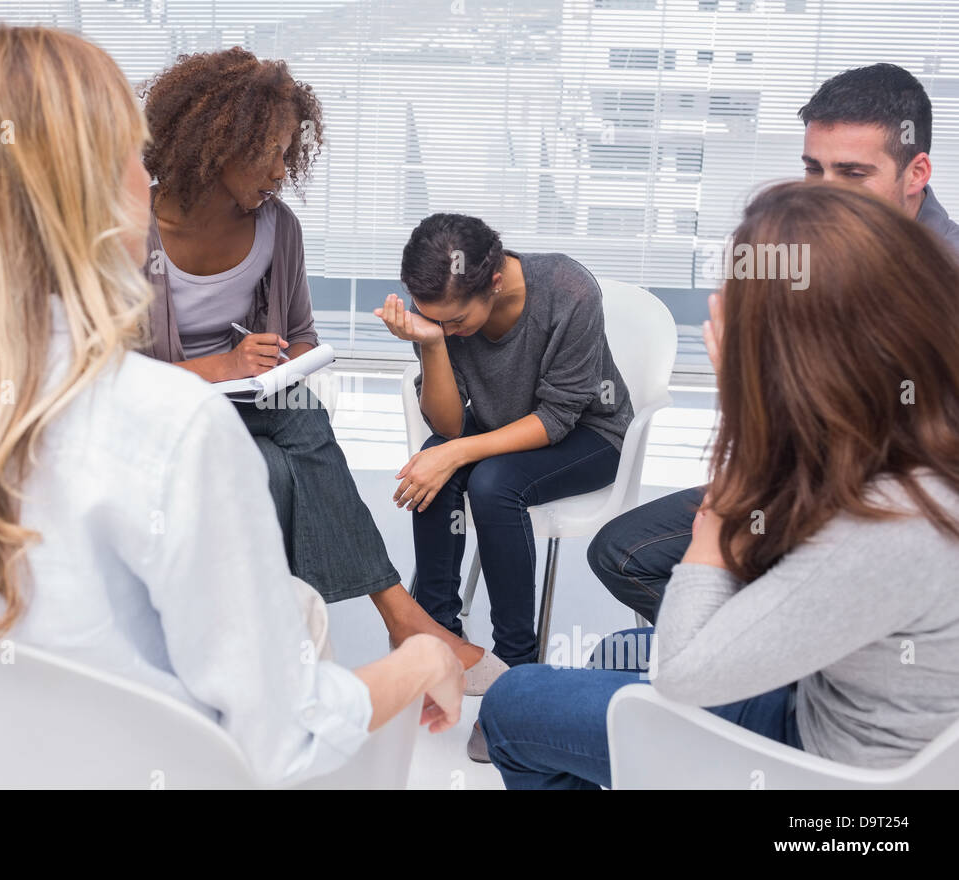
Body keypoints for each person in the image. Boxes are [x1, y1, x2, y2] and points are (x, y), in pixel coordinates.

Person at [0, 25, 464, 787]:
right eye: (130, 151)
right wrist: (420, 662)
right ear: (83, 186)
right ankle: (410, 624)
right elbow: (286, 741)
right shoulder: (171, 429)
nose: (144, 177)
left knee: (294, 559)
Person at [480, 181, 959, 789]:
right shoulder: (917, 435)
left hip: (820, 773)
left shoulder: (885, 524)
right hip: (839, 708)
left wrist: (740, 406)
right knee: (616, 653)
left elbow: (682, 671)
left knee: (514, 704)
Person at [137, 47, 492, 684]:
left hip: (249, 402)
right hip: (162, 413)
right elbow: (99, 375)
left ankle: (274, 651)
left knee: (298, 417)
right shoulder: (128, 230)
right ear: (219, 145)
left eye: (287, 150)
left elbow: (298, 333)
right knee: (277, 464)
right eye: (270, 151)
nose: (282, 169)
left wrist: (292, 362)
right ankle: (397, 619)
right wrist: (218, 366)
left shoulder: (278, 227)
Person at [588, 62, 959, 622]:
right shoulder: (809, 255)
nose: (824, 194)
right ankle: (757, 668)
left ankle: (768, 662)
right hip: (800, 478)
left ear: (916, 171)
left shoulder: (942, 283)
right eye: (814, 169)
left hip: (880, 514)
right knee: (622, 553)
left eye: (853, 173)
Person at [377, 214, 633, 757]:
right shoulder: (444, 315)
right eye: (433, 319)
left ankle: (516, 677)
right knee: (436, 465)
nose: (447, 328)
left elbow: (560, 417)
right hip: (500, 425)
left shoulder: (568, 290)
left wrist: (457, 451)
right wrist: (432, 345)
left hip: (588, 433)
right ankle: (436, 642)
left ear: (493, 282)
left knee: (490, 482)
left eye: (456, 321)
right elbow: (448, 426)